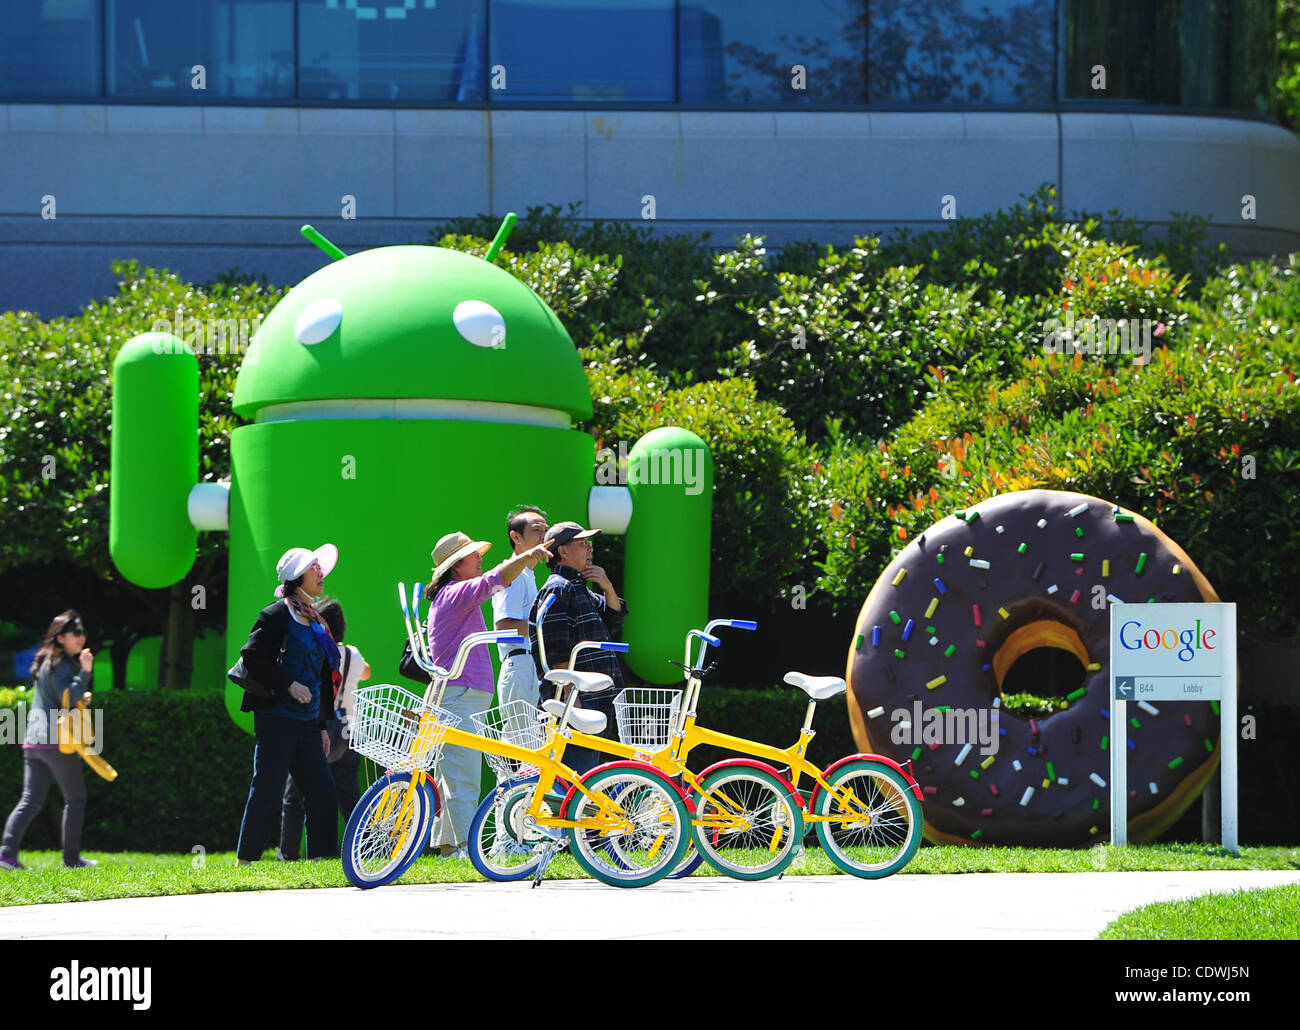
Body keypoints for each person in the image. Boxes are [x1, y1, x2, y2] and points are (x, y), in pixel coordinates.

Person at [424, 530, 551, 858]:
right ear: (456, 567)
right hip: (460, 694)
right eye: (472, 555)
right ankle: (467, 850)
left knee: (454, 772)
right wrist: (525, 558)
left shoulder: (453, 594)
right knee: (462, 774)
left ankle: (451, 848)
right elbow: (495, 581)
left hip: (461, 694)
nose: (480, 558)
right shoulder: (457, 593)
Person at [235, 545, 341, 865]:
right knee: (267, 789)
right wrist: (287, 684)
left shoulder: (316, 619)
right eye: (314, 569)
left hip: (308, 723)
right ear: (297, 576)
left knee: (322, 790)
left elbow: (322, 676)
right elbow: (251, 657)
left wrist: (323, 725)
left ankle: (322, 859)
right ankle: (247, 860)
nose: (321, 573)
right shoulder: (275, 614)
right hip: (276, 718)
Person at [1, 611, 98, 870]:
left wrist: (78, 696)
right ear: (61, 637)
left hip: (34, 742)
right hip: (56, 741)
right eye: (76, 633)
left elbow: (58, 698)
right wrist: (86, 671)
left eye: (83, 633)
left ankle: (6, 855)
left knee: (30, 800)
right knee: (76, 799)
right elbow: (67, 695)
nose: (82, 638)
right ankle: (71, 860)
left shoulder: (45, 661)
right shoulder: (61, 663)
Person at [529, 521, 628, 775]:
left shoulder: (577, 588)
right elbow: (555, 649)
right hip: (577, 702)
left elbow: (615, 618)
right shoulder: (558, 588)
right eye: (583, 543)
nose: (590, 549)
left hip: (593, 701)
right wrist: (571, 700)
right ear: (563, 551)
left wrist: (606, 585)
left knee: (584, 781)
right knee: (574, 782)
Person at [277, 597, 368, 861]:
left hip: (319, 733)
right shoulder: (354, 654)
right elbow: (367, 673)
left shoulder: (316, 652)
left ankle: (288, 853)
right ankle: (362, 852)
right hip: (349, 735)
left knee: (295, 796)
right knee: (350, 800)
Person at [492, 505, 549, 714]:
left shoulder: (526, 575)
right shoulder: (513, 576)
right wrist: (546, 626)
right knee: (520, 742)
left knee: (528, 742)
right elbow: (504, 627)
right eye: (536, 530)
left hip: (527, 665)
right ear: (516, 537)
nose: (544, 536)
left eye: (545, 529)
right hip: (520, 664)